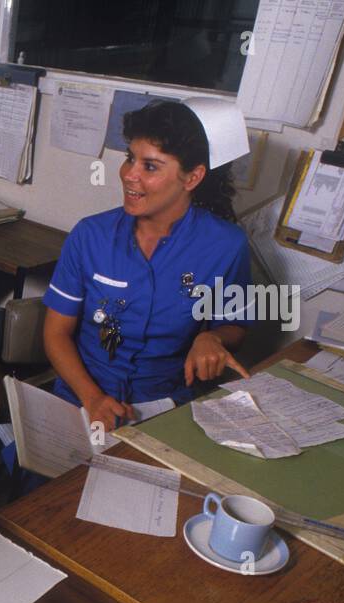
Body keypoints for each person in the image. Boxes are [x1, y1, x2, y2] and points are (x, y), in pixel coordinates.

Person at [42, 99, 255, 431]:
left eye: (150, 166)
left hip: (164, 406)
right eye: (130, 158)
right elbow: (55, 333)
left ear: (192, 177)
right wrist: (93, 398)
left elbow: (235, 326)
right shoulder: (90, 235)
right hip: (82, 399)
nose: (129, 175)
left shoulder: (227, 245)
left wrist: (213, 339)